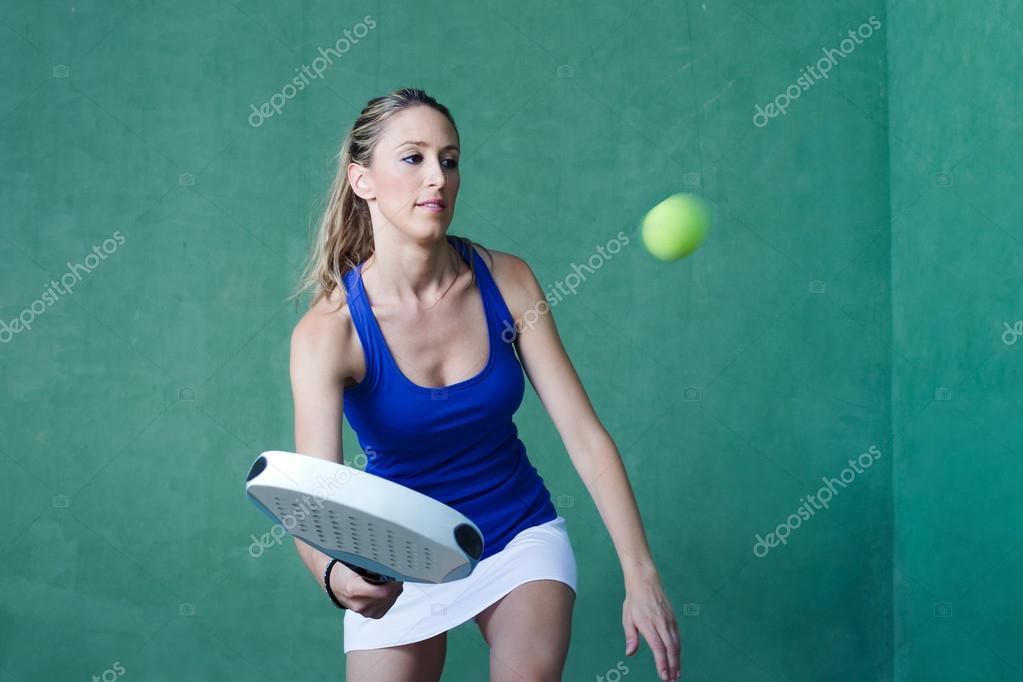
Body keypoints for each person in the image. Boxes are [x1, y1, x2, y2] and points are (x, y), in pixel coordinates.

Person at [287, 87, 681, 681]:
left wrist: (640, 573)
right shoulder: (328, 331)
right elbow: (318, 500)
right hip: (398, 556)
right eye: (412, 158)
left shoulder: (509, 281)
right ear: (361, 179)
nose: (437, 178)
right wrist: (335, 577)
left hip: (516, 535)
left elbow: (584, 436)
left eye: (449, 159)